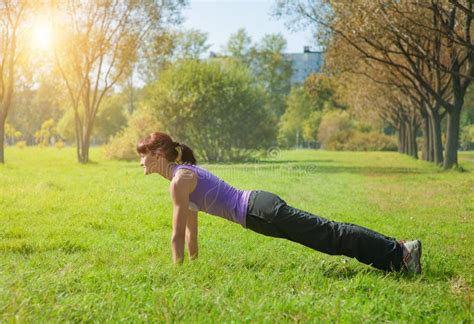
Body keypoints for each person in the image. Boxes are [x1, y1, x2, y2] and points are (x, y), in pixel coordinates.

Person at [137, 132, 422, 273]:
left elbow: (176, 234)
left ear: (159, 154)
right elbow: (190, 230)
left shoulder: (179, 180)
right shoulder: (182, 174)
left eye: (143, 155)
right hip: (259, 210)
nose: (140, 162)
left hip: (260, 211)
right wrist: (193, 266)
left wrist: (178, 273)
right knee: (326, 236)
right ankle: (396, 252)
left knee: (328, 234)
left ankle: (400, 253)